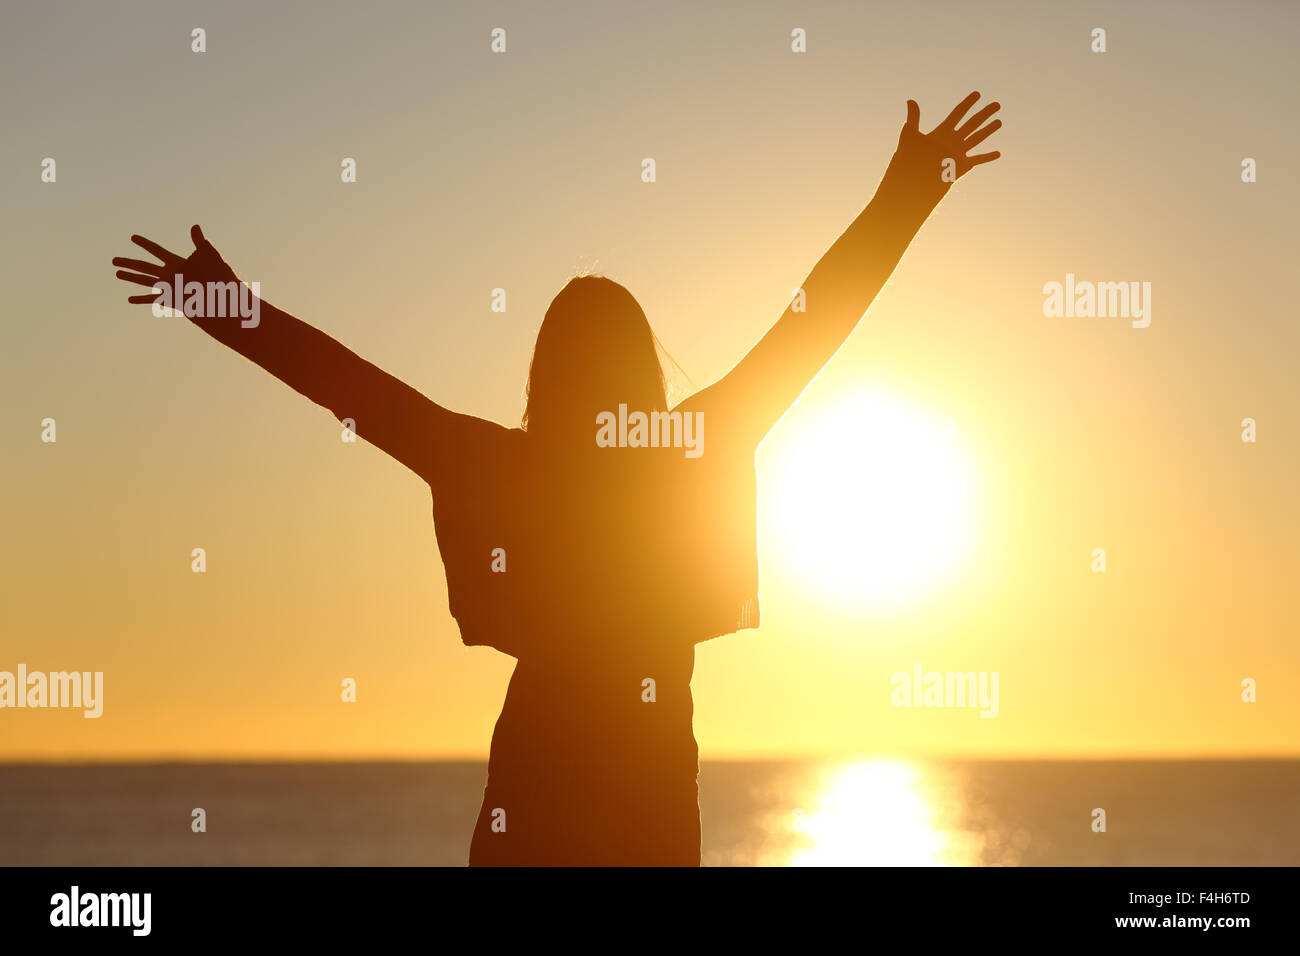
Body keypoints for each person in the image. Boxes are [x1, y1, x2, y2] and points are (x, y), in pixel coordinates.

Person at [112, 93, 1002, 865]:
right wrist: (911, 190)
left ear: (545, 373)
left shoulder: (497, 463)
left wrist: (222, 304)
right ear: (640, 372)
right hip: (649, 797)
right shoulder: (688, 444)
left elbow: (352, 388)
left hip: (533, 792)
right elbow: (815, 320)